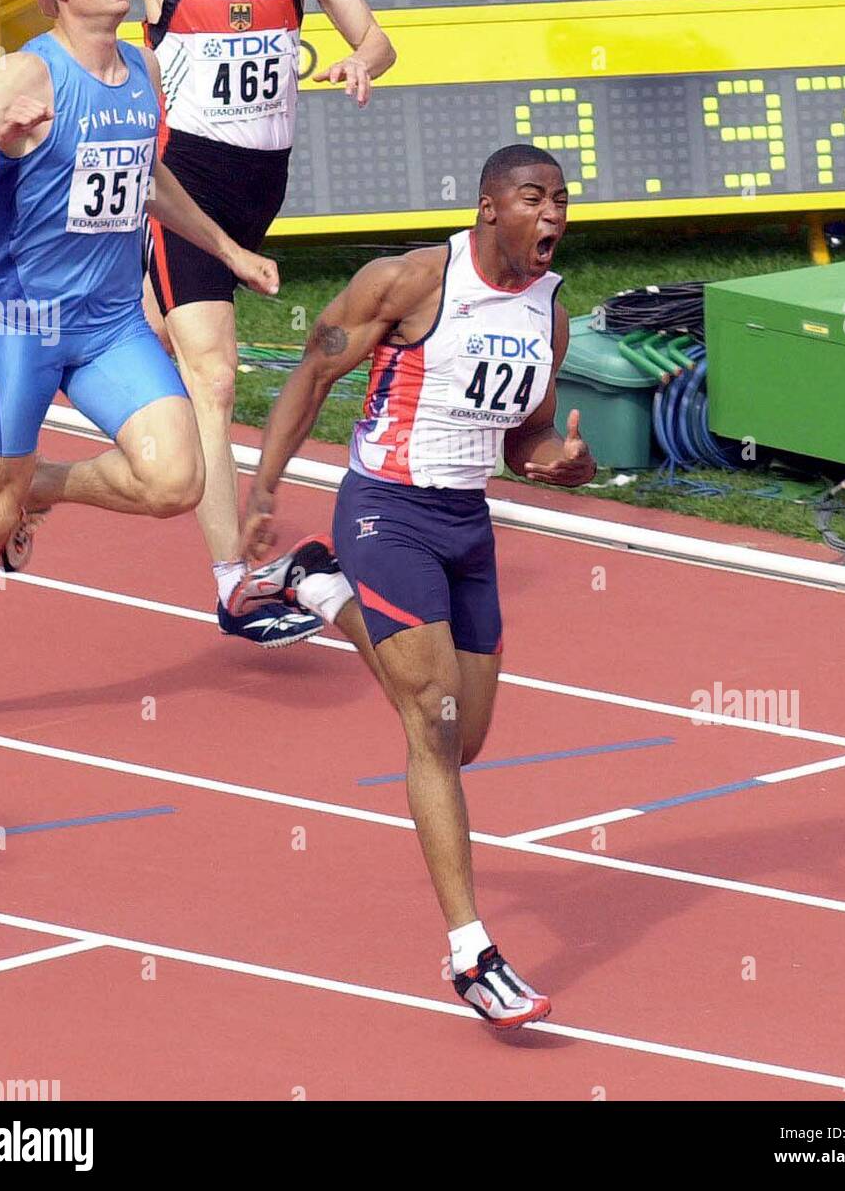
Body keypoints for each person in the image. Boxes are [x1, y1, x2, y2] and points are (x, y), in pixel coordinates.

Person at [236, 144, 596, 1026]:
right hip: (385, 511)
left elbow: (529, 436)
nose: (551, 215)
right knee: (429, 725)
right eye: (531, 198)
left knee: (462, 739)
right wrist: (262, 487)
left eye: (560, 200)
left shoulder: (548, 311)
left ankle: (319, 589)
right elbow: (316, 369)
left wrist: (560, 463)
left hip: (466, 528)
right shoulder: (407, 282)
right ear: (486, 209)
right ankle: (471, 953)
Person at [29, 0, 395, 647]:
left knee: (144, 339)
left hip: (261, 183)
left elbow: (374, 36)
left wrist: (359, 63)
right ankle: (236, 583)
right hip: (181, 177)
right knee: (214, 374)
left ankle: (36, 477)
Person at [0, 0, 304, 739]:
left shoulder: (142, 67)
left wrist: (228, 251)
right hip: (26, 317)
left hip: (108, 320)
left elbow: (150, 181)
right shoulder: (25, 76)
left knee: (174, 481)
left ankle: (40, 487)